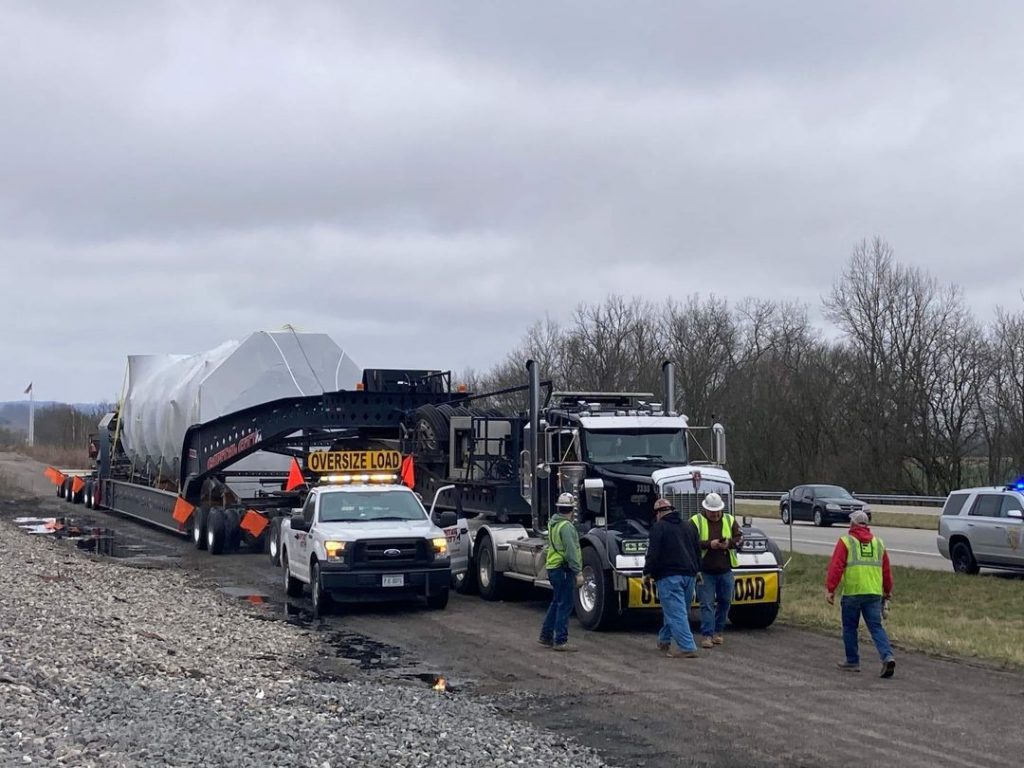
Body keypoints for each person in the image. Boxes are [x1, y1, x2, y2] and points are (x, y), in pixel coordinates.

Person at [825, 510, 896, 677]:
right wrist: (887, 591)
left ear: (853, 524)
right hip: (873, 593)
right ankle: (887, 656)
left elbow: (836, 567)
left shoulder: (846, 541)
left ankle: (852, 661)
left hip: (853, 593)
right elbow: (886, 571)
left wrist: (830, 589)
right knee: (876, 627)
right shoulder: (878, 543)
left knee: (850, 628)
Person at [644, 497, 702, 658]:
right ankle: (664, 640)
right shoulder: (689, 526)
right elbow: (697, 551)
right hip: (689, 575)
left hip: (669, 577)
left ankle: (687, 647)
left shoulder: (659, 527)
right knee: (678, 610)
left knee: (676, 612)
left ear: (659, 513)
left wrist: (647, 572)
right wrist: (698, 571)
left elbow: (653, 553)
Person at [691, 492, 742, 648]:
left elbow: (740, 538)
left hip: (725, 570)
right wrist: (709, 544)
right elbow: (688, 542)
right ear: (705, 509)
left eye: (717, 511)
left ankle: (718, 631)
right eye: (712, 512)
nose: (715, 514)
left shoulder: (730, 520)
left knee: (725, 601)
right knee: (706, 604)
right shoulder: (695, 521)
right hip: (704, 570)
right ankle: (707, 634)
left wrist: (729, 543)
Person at [539, 493, 583, 652]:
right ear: (572, 509)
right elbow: (571, 551)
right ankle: (560, 640)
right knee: (565, 604)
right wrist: (578, 572)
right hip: (563, 568)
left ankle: (546, 636)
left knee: (556, 602)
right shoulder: (567, 527)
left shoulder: (553, 523)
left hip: (553, 567)